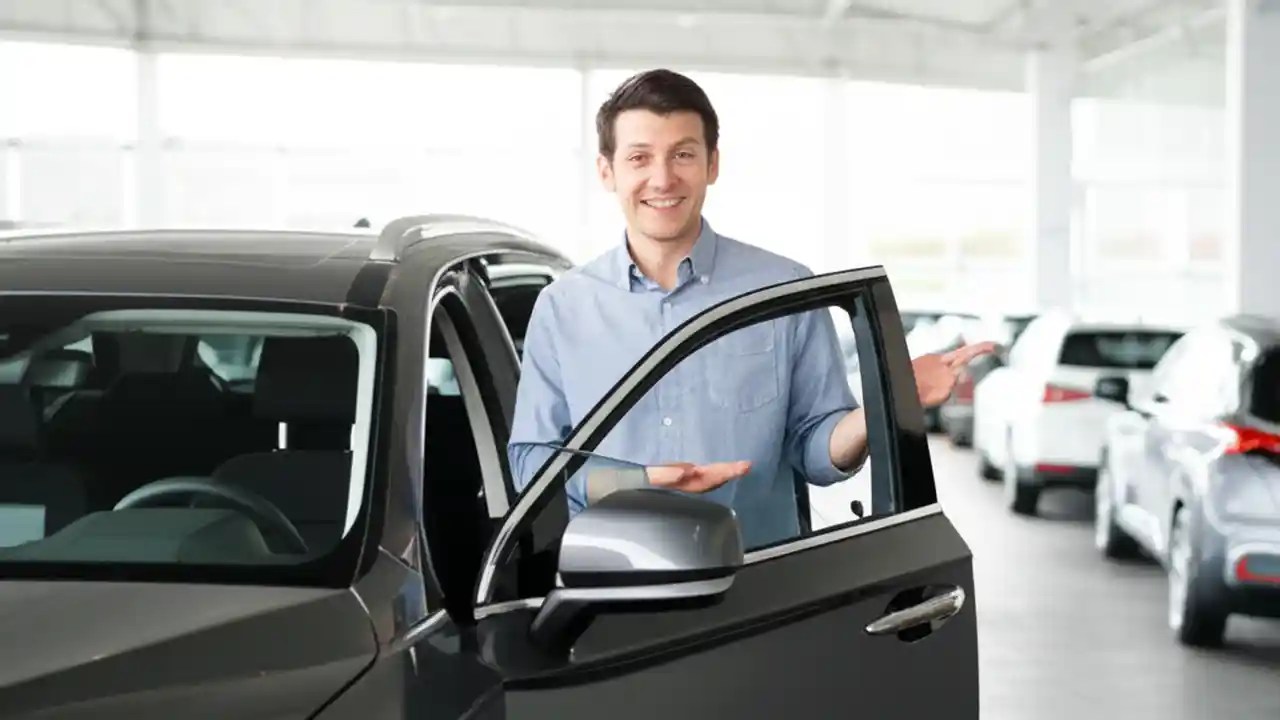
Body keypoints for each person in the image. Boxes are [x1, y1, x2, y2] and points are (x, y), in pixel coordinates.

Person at [507, 69, 993, 548]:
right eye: (640, 157)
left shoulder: (785, 289)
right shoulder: (563, 307)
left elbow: (816, 449)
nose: (663, 178)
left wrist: (887, 402)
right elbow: (533, 461)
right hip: (607, 594)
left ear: (712, 164)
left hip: (759, 589)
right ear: (607, 171)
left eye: (683, 154)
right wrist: (641, 481)